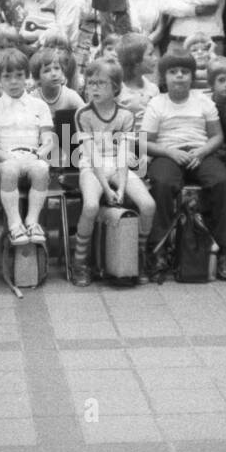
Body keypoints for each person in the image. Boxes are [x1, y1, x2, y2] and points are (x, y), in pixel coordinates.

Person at [142, 49, 226, 279]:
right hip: (168, 154)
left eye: (185, 72)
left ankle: (225, 251)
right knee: (162, 184)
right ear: (164, 77)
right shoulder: (157, 103)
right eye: (173, 72)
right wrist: (171, 153)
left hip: (200, 153)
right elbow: (145, 142)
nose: (179, 76)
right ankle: (159, 251)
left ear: (192, 76)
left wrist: (202, 151)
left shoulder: (203, 102)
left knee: (223, 183)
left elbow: (217, 137)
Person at [69, 58, 155, 286]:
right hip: (92, 165)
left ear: (116, 87)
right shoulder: (83, 114)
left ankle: (138, 255)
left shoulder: (126, 115)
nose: (93, 88)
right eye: (90, 83)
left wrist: (122, 187)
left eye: (100, 83)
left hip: (118, 166)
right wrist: (107, 189)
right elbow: (91, 155)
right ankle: (80, 261)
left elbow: (124, 155)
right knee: (90, 205)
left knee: (147, 205)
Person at [0, 47, 53, 246]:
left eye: (19, 75)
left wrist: (42, 153)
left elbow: (48, 137)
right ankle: (14, 224)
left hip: (32, 157)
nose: (13, 81)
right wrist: (8, 158)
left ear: (27, 77)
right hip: (6, 160)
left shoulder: (39, 106)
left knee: (41, 168)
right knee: (11, 169)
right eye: (7, 76)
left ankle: (32, 221)